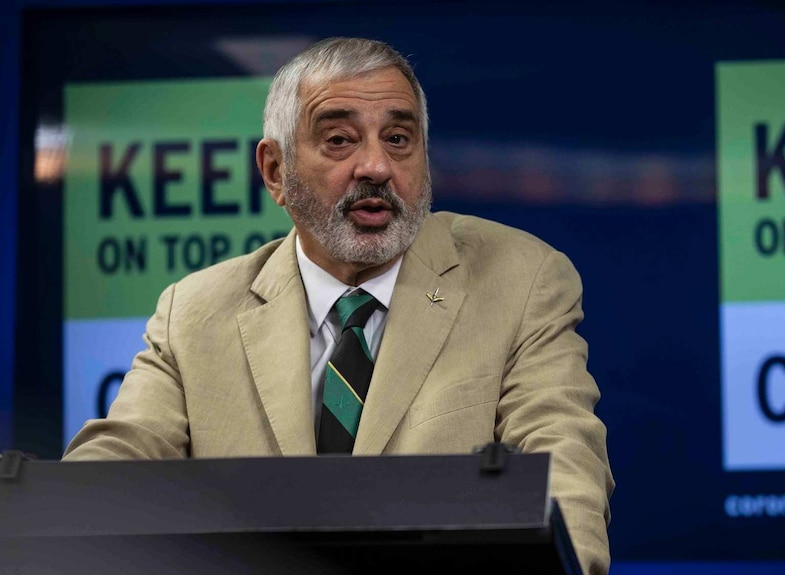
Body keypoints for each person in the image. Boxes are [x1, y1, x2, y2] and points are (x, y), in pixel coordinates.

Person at [64, 37, 614, 574]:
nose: (376, 165)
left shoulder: (520, 280)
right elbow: (115, 465)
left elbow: (562, 462)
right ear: (275, 172)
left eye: (399, 138)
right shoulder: (195, 311)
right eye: (339, 140)